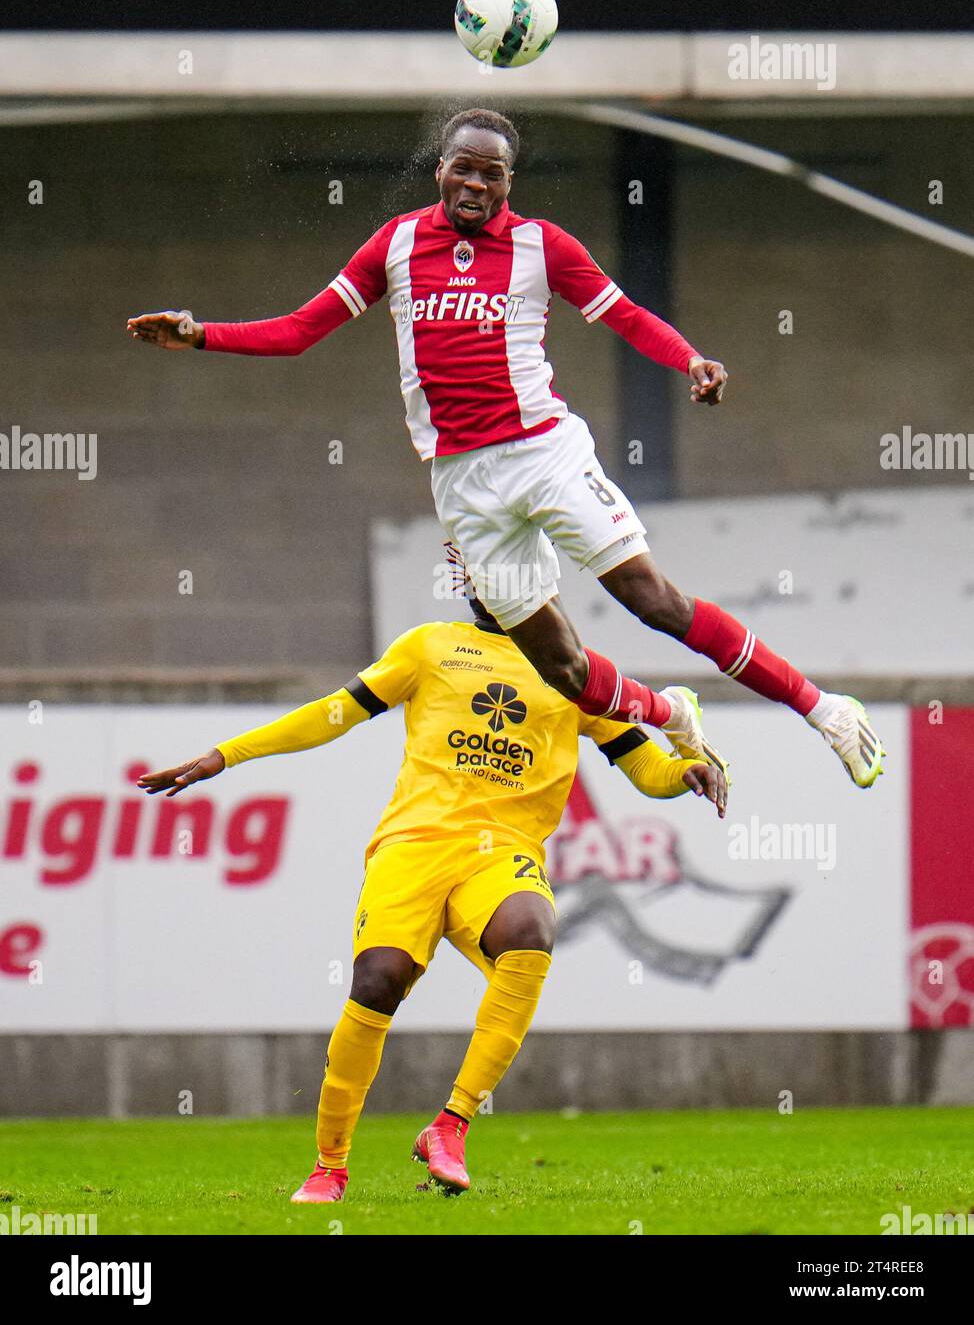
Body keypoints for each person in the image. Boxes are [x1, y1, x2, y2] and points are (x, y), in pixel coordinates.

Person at [127, 107, 883, 788]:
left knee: (655, 602)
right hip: (462, 482)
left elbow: (624, 314)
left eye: (492, 173)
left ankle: (825, 710)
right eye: (464, 167)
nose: (475, 184)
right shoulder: (395, 245)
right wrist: (201, 337)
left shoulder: (541, 246)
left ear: (507, 182)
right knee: (562, 669)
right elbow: (301, 330)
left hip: (543, 451)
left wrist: (689, 359)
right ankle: (669, 712)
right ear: (442, 170)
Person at [136, 590, 728, 1201]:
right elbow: (329, 714)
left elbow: (643, 766)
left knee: (530, 932)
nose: (484, 582)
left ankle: (450, 1126)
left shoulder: (576, 671)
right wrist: (224, 756)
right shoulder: (428, 646)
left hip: (501, 853)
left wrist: (683, 775)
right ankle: (330, 1166)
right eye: (476, 570)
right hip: (412, 848)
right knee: (377, 982)